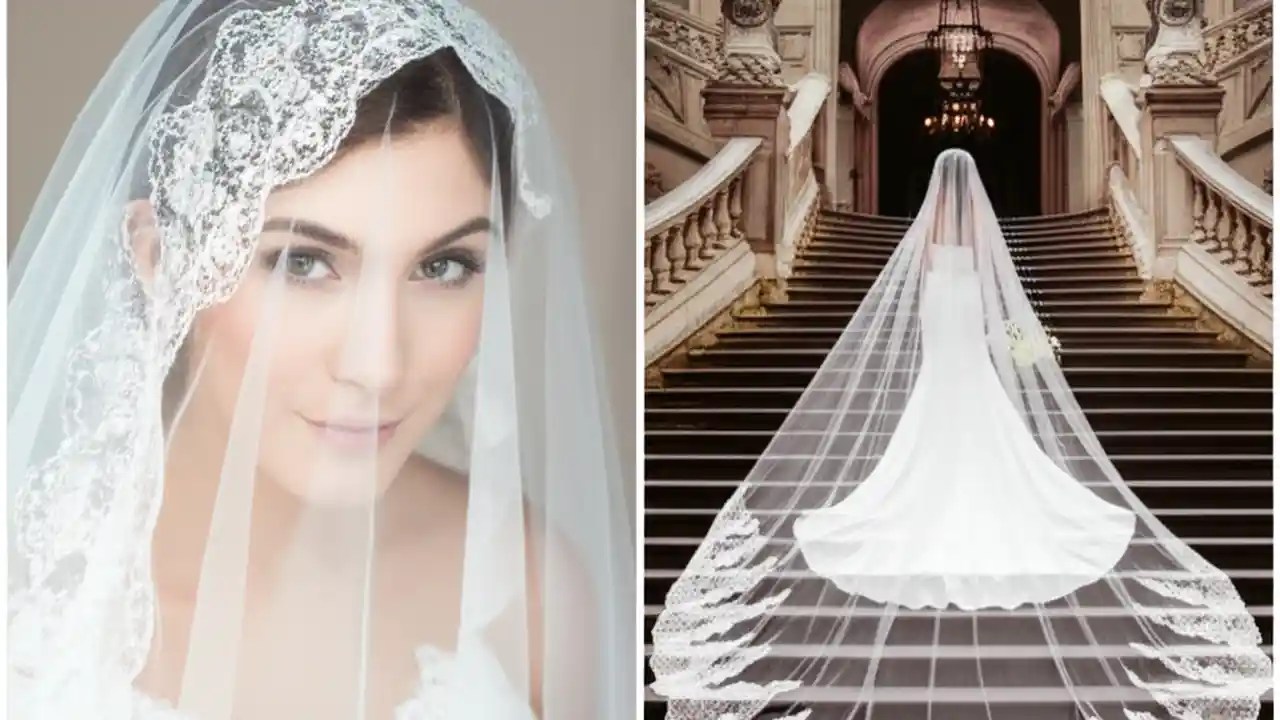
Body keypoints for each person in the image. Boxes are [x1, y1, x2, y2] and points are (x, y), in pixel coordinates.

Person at [7, 2, 631, 718]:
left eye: (444, 267)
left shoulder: (530, 596)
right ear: (159, 258)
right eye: (303, 262)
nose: (378, 365)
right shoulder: (20, 599)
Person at [649, 149, 1270, 720]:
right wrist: (1035, 356)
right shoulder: (979, 250)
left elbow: (910, 326)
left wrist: (1003, 350)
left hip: (941, 367)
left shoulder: (924, 253)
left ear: (934, 194)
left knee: (922, 455)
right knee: (995, 452)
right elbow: (1004, 319)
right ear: (972, 195)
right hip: (970, 366)